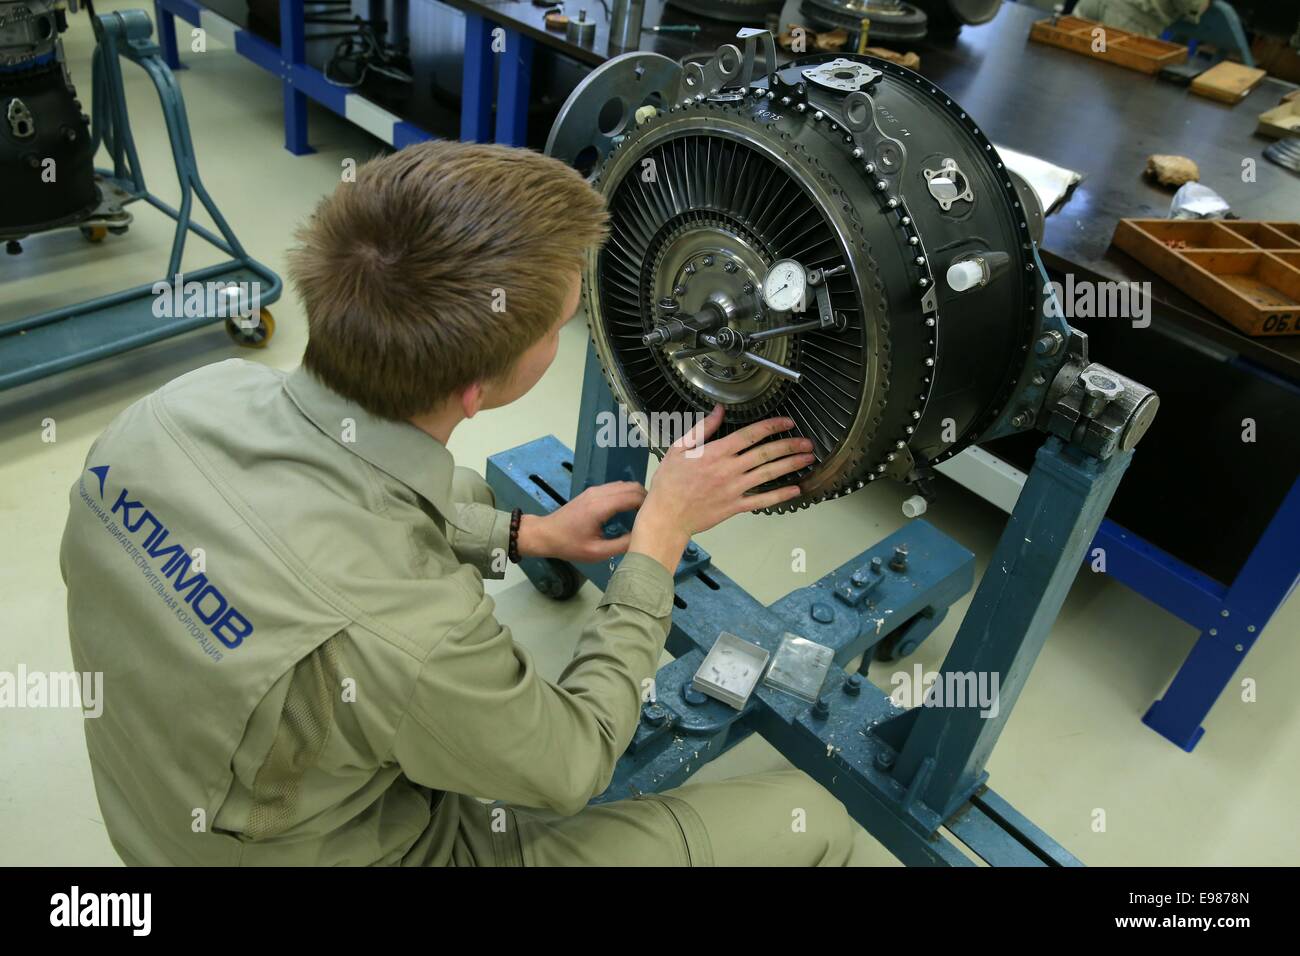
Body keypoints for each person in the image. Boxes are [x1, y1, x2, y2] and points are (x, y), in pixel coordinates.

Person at [61, 140, 874, 866]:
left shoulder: (175, 408)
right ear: (479, 389)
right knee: (812, 819)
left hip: (163, 816)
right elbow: (573, 765)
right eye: (562, 322)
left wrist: (526, 534)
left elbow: (340, 512)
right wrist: (659, 537)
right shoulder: (417, 634)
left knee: (462, 494)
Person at [1073, 0, 1209, 38]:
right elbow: (1191, 4)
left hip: (1090, 5)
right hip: (1128, 20)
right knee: (1114, 81)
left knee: (1070, 65)